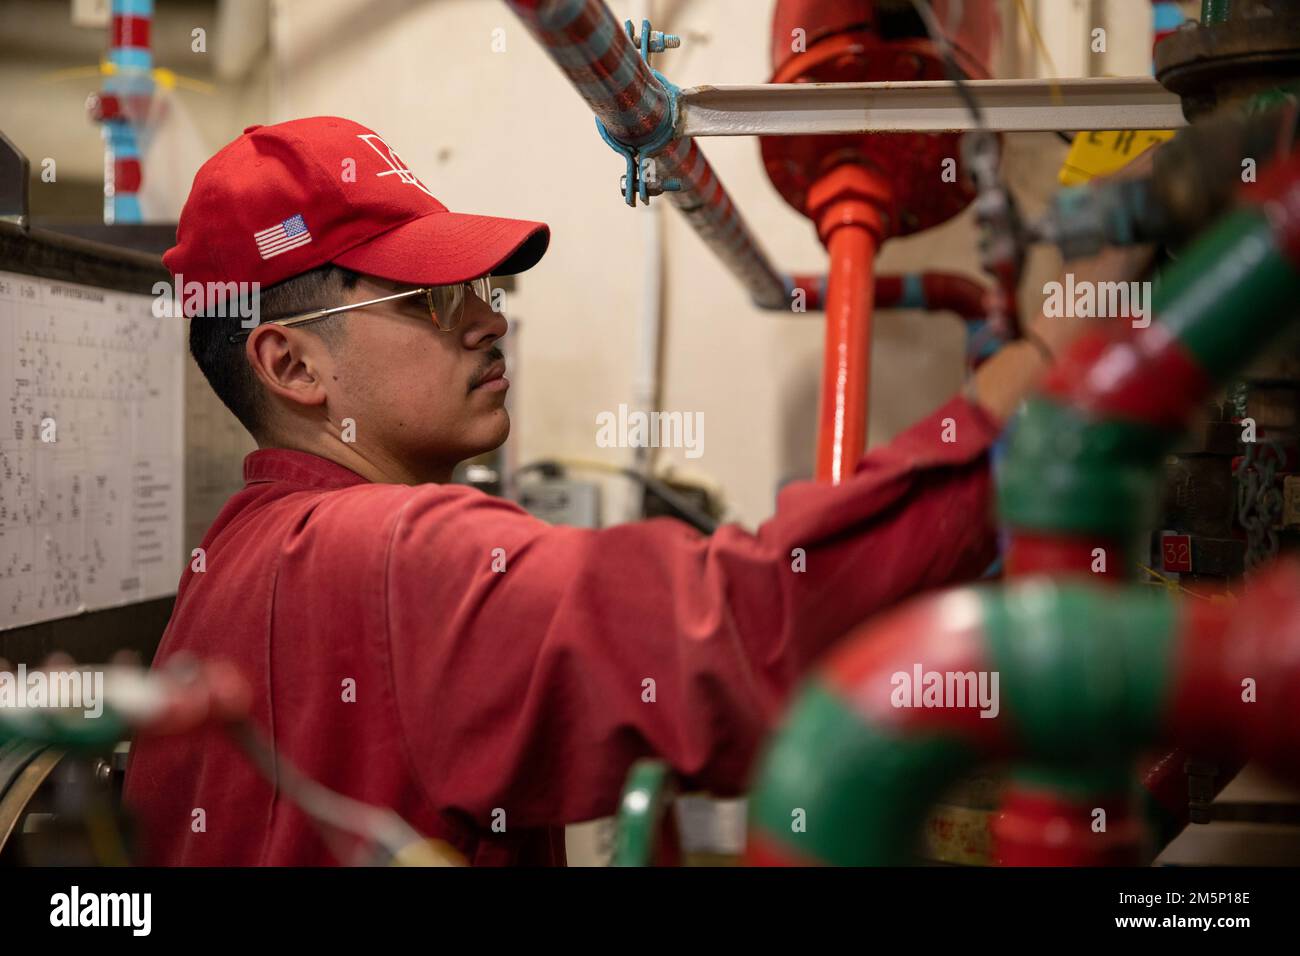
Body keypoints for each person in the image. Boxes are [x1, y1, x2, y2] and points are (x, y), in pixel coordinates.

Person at [123, 116, 1152, 865]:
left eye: (484, 288)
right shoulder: (398, 553)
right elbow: (758, 626)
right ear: (292, 366)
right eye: (434, 298)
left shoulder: (221, 572)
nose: (489, 320)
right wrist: (1043, 361)